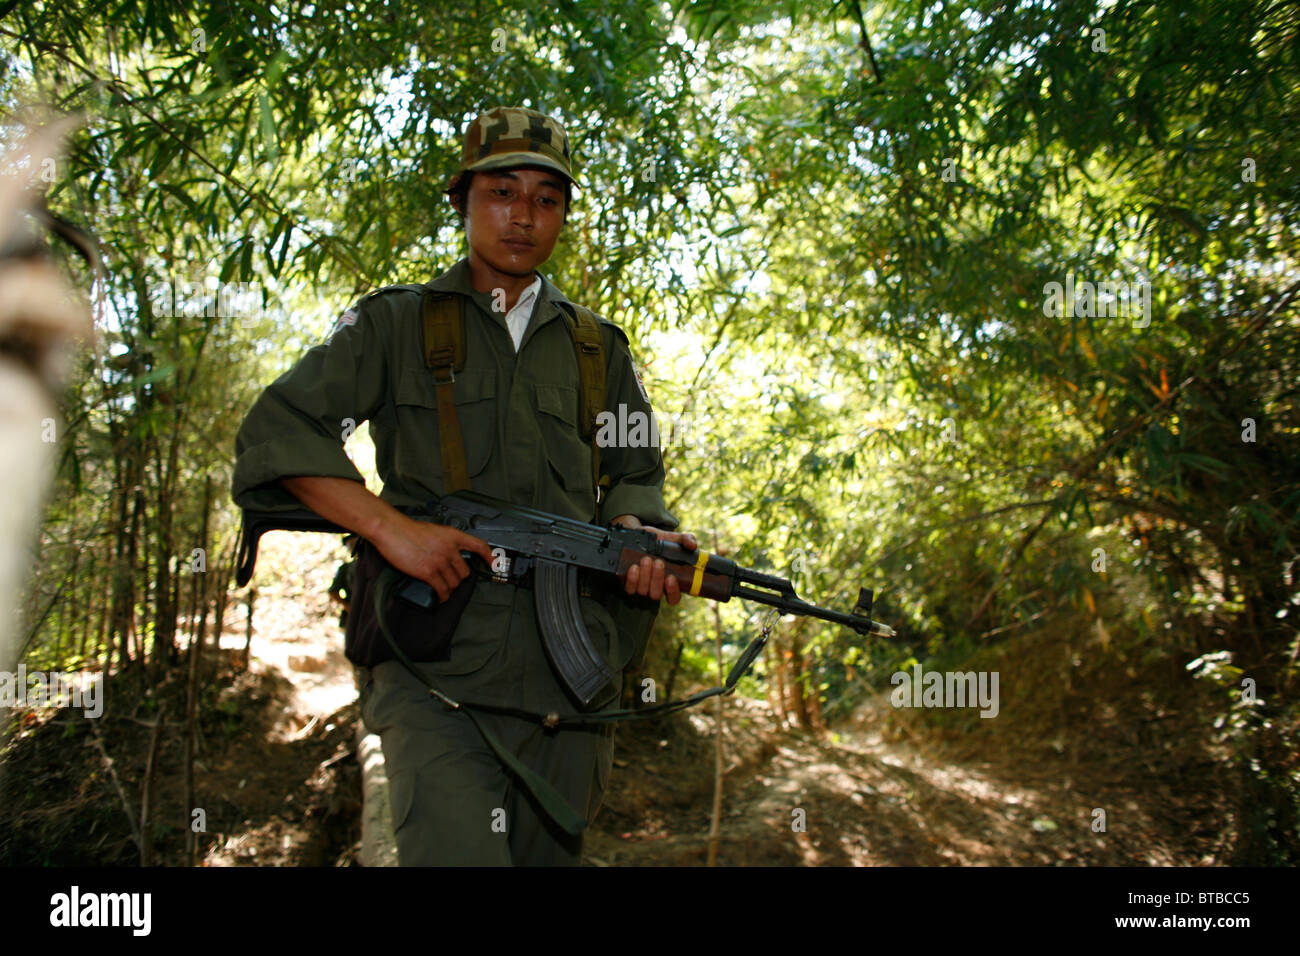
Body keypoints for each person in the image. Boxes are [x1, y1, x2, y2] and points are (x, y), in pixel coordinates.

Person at [232, 106, 696, 865]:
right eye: (502, 192)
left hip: (570, 687)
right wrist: (391, 529)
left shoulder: (597, 350)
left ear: (564, 215)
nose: (524, 217)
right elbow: (276, 432)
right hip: (436, 670)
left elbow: (636, 474)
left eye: (546, 200)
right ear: (463, 202)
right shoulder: (394, 324)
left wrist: (642, 534)